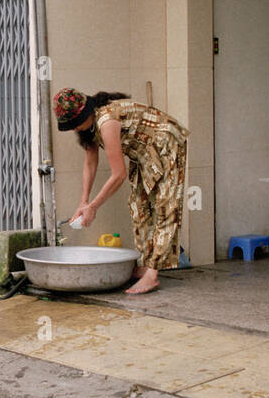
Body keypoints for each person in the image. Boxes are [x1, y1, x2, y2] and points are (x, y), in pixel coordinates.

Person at [55, 87, 189, 296]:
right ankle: (146, 264)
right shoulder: (89, 128)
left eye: (74, 124)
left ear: (85, 114)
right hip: (142, 152)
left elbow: (118, 174)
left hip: (165, 144)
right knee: (139, 205)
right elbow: (90, 163)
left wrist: (94, 207)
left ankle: (152, 275)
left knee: (165, 205)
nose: (74, 129)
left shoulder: (107, 121)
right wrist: (84, 202)